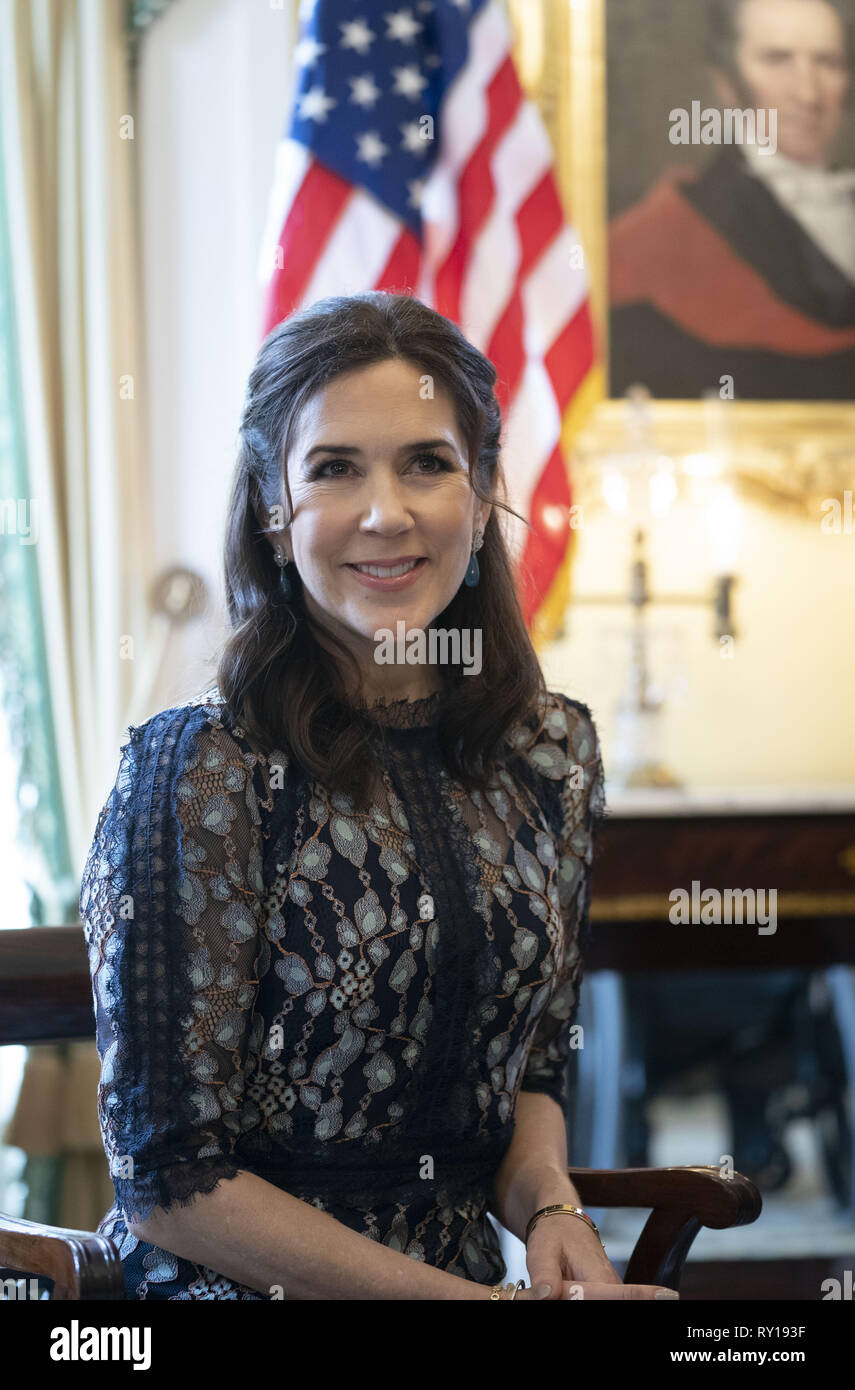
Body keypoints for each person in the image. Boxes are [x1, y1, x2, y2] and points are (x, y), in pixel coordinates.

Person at [78, 291, 677, 1301]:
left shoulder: (553, 752)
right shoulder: (197, 770)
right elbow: (168, 1178)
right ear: (274, 510)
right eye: (334, 468)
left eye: (428, 463)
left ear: (481, 495)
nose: (386, 511)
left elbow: (529, 1069)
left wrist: (551, 1209)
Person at [609, 0, 855, 399]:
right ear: (725, 80)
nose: (808, 92)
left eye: (828, 62)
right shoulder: (664, 236)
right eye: (778, 60)